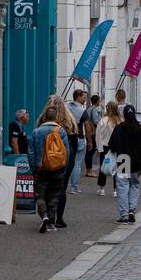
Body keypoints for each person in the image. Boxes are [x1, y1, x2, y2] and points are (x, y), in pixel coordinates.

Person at [29, 104, 69, 232]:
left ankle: (44, 216)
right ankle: (52, 222)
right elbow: (66, 152)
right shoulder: (61, 131)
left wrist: (34, 166)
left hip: (41, 168)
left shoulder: (36, 131)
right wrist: (64, 168)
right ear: (56, 117)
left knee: (40, 194)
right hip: (57, 168)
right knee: (54, 194)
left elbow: (30, 152)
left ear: (45, 117)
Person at [108, 108, 141, 222]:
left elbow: (111, 145)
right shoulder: (140, 128)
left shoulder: (119, 128)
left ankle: (124, 215)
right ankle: (132, 209)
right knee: (134, 185)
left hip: (123, 159)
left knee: (122, 187)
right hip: (137, 160)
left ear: (124, 115)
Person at [95, 101, 122, 197]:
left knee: (104, 167)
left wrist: (99, 148)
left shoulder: (104, 120)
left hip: (105, 148)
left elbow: (99, 135)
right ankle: (115, 190)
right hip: (118, 147)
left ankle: (102, 188)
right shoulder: (120, 120)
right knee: (117, 167)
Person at [67, 90, 89, 193]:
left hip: (66, 137)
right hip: (78, 138)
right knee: (77, 163)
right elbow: (87, 127)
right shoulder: (82, 110)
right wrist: (90, 141)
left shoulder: (66, 107)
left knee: (66, 162)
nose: (85, 100)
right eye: (83, 98)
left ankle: (64, 185)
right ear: (78, 97)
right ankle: (74, 187)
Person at [83, 95, 101, 177]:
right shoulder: (96, 109)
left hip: (88, 132)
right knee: (91, 151)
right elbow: (96, 121)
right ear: (97, 101)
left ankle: (88, 170)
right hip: (94, 132)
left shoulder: (88, 109)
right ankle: (90, 171)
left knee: (89, 151)